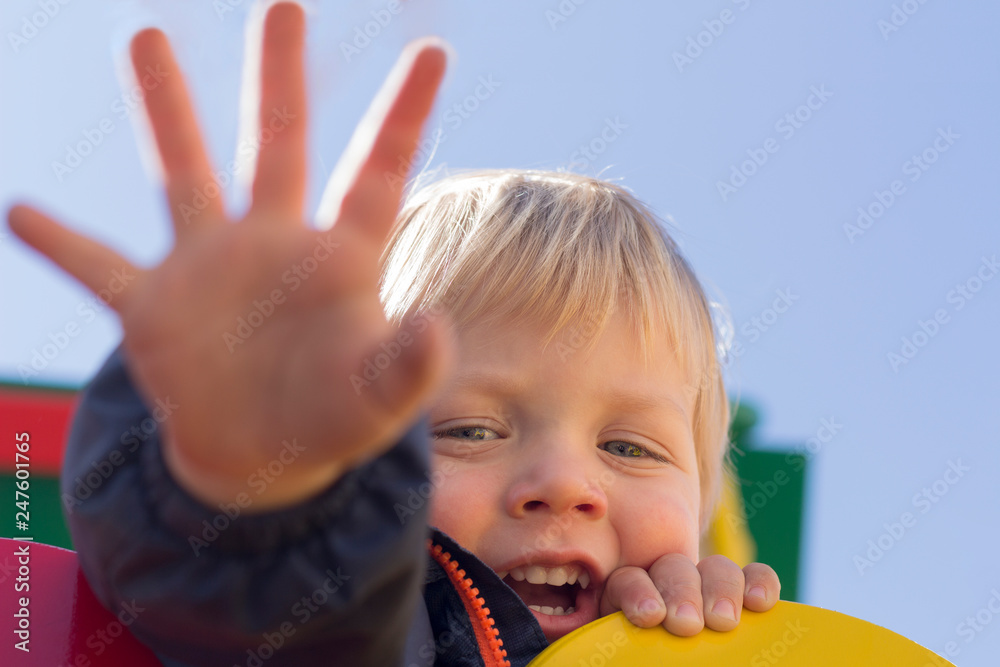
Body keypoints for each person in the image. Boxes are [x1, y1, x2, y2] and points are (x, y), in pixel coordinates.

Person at [7, 3, 779, 665]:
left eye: (629, 447)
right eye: (470, 429)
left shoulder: (744, 642)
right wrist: (263, 502)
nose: (566, 484)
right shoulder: (348, 631)